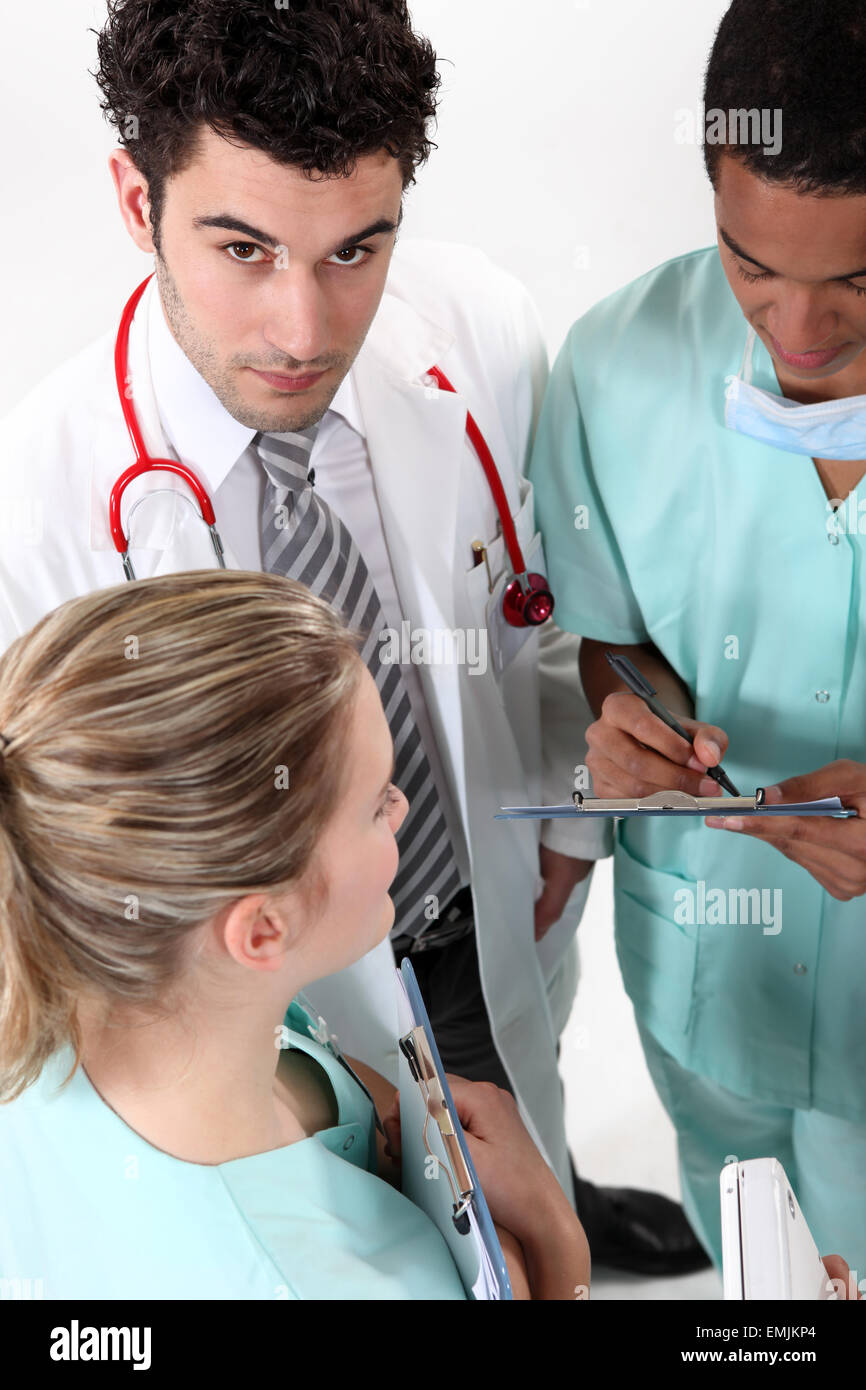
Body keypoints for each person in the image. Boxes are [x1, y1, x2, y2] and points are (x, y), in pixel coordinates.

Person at [0, 0, 698, 1270]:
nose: (305, 332)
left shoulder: (473, 327)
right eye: (242, 248)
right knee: (354, 1250)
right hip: (265, 1007)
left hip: (488, 919)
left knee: (511, 1164)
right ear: (130, 200)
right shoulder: (42, 500)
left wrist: (566, 814)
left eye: (355, 251)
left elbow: (536, 611)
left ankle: (560, 1205)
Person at [0, 569, 592, 1300]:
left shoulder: (80, 973)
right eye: (377, 804)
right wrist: (556, 1240)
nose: (405, 808)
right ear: (261, 931)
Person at [528, 0, 866, 1274]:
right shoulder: (614, 364)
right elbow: (604, 637)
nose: (795, 332)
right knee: (757, 1289)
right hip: (703, 970)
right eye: (750, 266)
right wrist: (634, 723)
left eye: (855, 281)